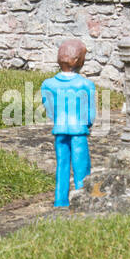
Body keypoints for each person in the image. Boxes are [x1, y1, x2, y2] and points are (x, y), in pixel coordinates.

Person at [40, 39, 97, 207]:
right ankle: (82, 198)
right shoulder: (86, 84)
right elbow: (90, 112)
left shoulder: (48, 84)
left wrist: (57, 120)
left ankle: (60, 199)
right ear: (79, 61)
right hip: (78, 131)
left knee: (62, 166)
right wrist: (87, 124)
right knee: (81, 167)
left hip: (60, 129)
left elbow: (49, 108)